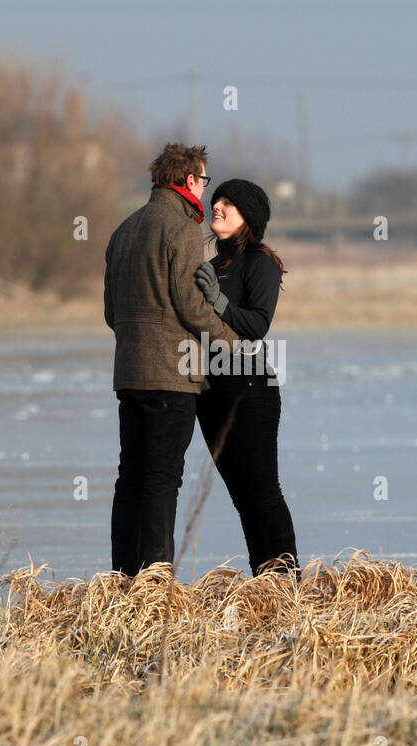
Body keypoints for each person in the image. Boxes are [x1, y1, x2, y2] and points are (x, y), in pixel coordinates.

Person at [104, 143, 241, 577]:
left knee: (131, 477)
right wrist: (233, 341)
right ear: (187, 182)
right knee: (163, 479)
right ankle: (155, 582)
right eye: (203, 181)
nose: (205, 191)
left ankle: (123, 578)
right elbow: (190, 304)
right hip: (171, 376)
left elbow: (112, 312)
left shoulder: (124, 230)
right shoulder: (180, 229)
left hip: (130, 373)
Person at [192, 179, 299, 577]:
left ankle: (286, 582)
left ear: (248, 217)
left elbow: (257, 325)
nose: (217, 206)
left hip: (250, 388)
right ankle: (264, 582)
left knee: (263, 493)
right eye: (216, 199)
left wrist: (217, 301)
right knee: (242, 497)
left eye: (228, 203)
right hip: (210, 389)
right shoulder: (212, 265)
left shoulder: (260, 262)